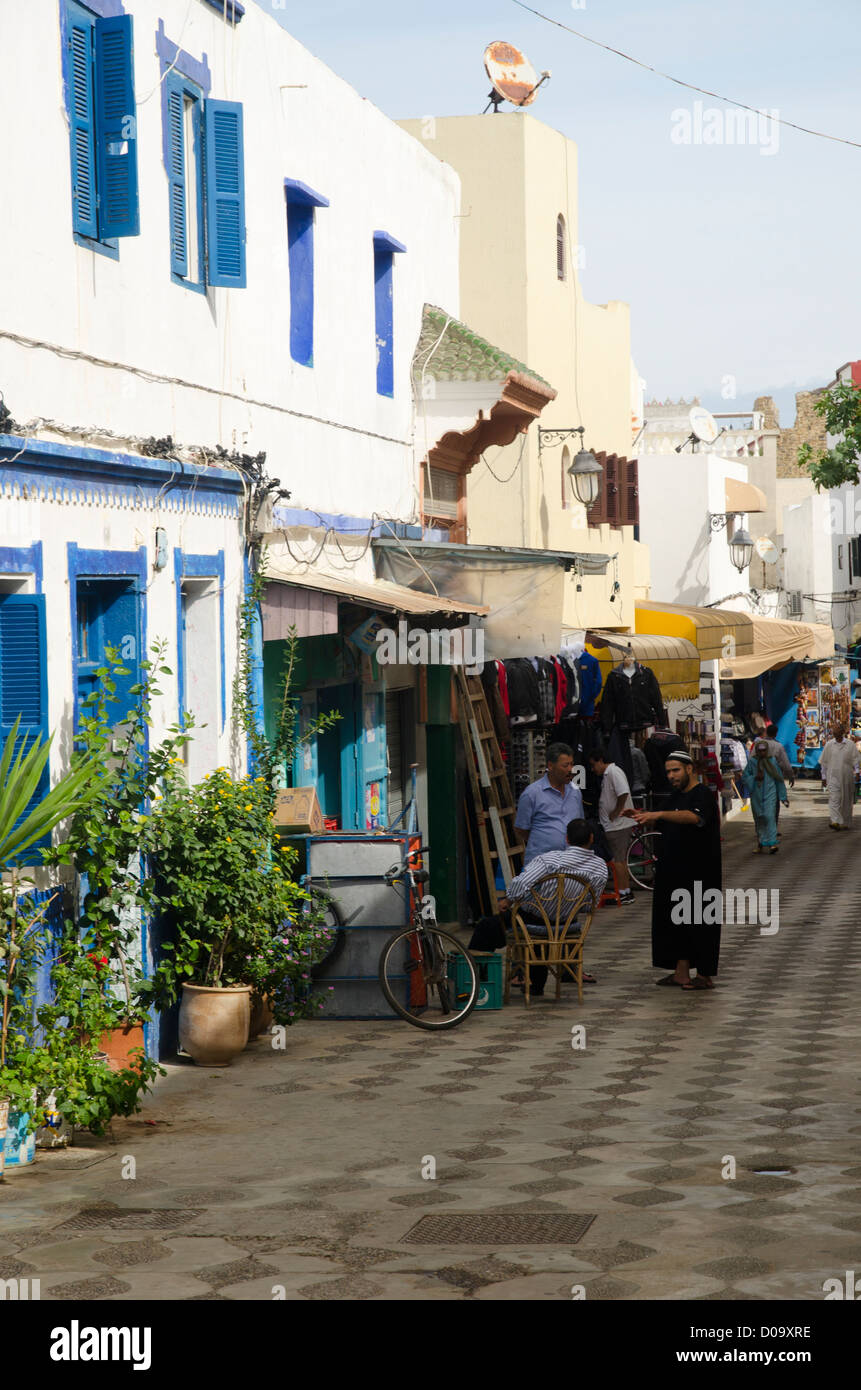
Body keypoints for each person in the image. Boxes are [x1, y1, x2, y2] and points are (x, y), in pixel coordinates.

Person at [468, 819, 607, 996]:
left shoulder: (550, 860)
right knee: (544, 924)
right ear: (591, 838)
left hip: (531, 923)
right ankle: (536, 985)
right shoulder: (600, 867)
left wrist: (507, 901)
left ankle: (476, 982)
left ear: (566, 839)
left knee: (487, 927)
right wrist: (566, 905)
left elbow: (520, 884)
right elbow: (590, 906)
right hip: (565, 927)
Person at [632, 749, 722, 991]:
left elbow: (693, 818)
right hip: (673, 872)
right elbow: (663, 818)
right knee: (675, 922)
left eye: (676, 770)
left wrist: (659, 813)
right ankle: (680, 973)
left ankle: (704, 975)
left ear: (689, 769)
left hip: (700, 873)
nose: (671, 776)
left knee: (700, 921)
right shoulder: (674, 797)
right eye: (668, 771)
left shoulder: (701, 794)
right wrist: (642, 816)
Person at [514, 742, 584, 866]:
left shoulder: (575, 792)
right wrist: (544, 840)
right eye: (565, 765)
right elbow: (521, 829)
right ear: (551, 766)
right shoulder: (532, 794)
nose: (570, 770)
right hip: (541, 864)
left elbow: (579, 824)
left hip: (571, 863)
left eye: (572, 764)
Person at [589, 746, 636, 905]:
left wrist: (616, 811)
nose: (593, 769)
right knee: (619, 860)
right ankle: (625, 891)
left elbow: (623, 793)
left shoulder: (614, 772)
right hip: (614, 825)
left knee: (618, 860)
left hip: (618, 825)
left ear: (601, 761)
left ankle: (624, 892)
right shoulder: (609, 774)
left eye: (593, 765)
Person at [741, 739, 788, 853]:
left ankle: (772, 843)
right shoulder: (752, 762)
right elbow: (745, 777)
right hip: (756, 795)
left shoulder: (772, 762)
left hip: (770, 794)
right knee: (759, 818)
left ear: (767, 751)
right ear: (757, 751)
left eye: (764, 750)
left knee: (769, 816)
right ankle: (760, 843)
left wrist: (783, 797)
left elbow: (779, 779)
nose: (762, 753)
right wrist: (754, 778)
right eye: (760, 750)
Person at [820, 723, 861, 830]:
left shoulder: (850, 744)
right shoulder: (829, 745)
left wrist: (857, 772)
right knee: (834, 798)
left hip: (847, 776)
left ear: (842, 732)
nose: (835, 732)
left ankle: (845, 822)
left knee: (846, 799)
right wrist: (823, 778)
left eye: (837, 730)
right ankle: (835, 821)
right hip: (833, 776)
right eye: (834, 730)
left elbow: (855, 760)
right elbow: (824, 762)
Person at [763, 722, 795, 833]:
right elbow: (785, 763)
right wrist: (791, 775)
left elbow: (751, 759)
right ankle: (773, 828)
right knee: (774, 804)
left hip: (760, 778)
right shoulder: (778, 746)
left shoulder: (759, 745)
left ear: (766, 732)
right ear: (776, 734)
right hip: (774, 778)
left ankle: (763, 829)